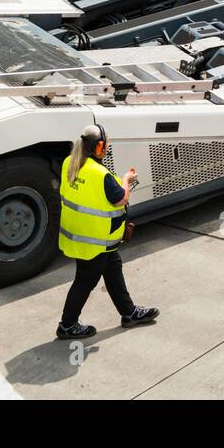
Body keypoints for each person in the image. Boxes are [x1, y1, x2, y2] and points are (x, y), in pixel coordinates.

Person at [56, 123, 158, 340]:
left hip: (81, 234)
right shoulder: (100, 174)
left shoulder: (69, 163)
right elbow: (121, 198)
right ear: (99, 147)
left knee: (113, 269)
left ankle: (129, 313)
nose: (109, 147)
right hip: (96, 240)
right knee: (85, 281)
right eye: (107, 144)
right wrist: (126, 180)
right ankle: (67, 325)